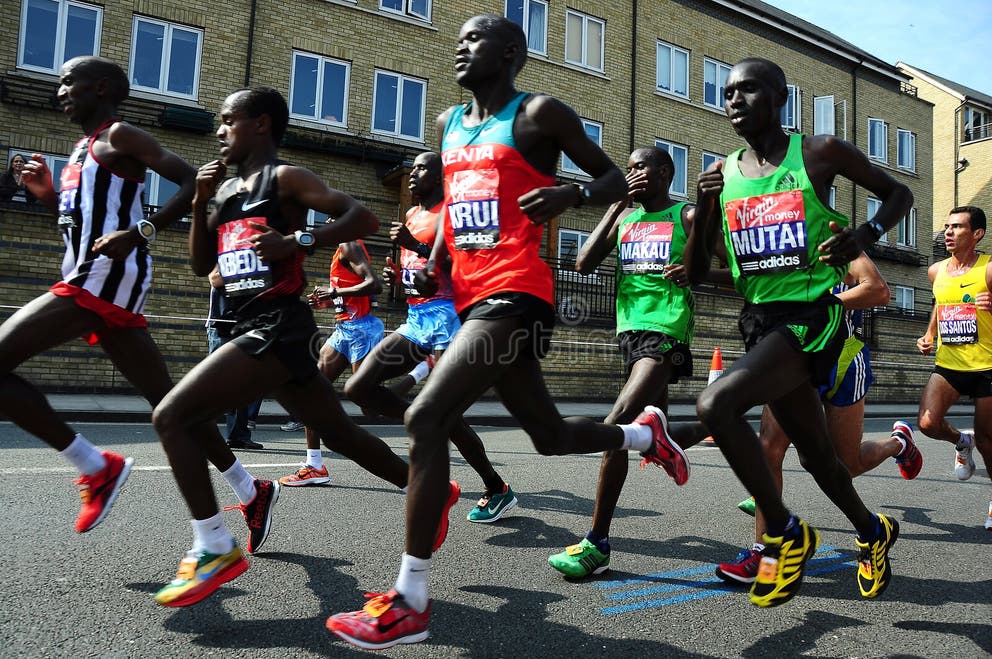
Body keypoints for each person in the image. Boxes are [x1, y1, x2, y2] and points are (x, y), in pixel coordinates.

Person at [326, 15, 690, 650]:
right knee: (548, 436)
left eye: (476, 40)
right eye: (459, 40)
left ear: (513, 53)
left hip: (518, 292)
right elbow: (461, 209)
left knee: (427, 416)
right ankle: (641, 433)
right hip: (469, 298)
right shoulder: (446, 125)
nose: (462, 48)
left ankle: (410, 600)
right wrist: (429, 256)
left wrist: (568, 195)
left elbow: (609, 179)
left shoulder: (538, 114)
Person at [151, 86, 457, 607]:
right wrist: (201, 201)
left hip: (278, 327)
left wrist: (298, 241)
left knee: (173, 415)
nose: (220, 131)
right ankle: (428, 487)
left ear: (262, 124)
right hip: (248, 324)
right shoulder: (224, 192)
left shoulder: (285, 179)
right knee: (338, 432)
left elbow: (363, 218)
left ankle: (213, 545)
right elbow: (204, 267)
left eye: (229, 120)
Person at [684, 57, 913, 607]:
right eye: (727, 92)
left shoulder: (818, 152)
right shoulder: (725, 172)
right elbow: (695, 275)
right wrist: (705, 205)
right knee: (819, 460)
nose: (733, 100)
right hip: (760, 323)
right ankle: (872, 531)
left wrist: (864, 233)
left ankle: (786, 533)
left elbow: (898, 195)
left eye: (748, 90)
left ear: (779, 97)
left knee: (715, 404)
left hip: (813, 317)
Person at [547, 146, 710, 578]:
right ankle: (721, 422)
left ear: (664, 173)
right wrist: (617, 202)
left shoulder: (686, 216)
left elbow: (726, 269)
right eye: (629, 168)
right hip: (629, 334)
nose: (633, 173)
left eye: (640, 167)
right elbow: (583, 263)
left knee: (616, 424)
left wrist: (692, 272)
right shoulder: (625, 218)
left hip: (667, 331)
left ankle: (596, 543)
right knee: (660, 435)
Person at [716, 254, 924, 584]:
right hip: (794, 355)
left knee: (846, 464)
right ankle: (764, 550)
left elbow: (878, 290)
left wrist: (822, 303)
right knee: (769, 448)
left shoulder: (837, 242)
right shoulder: (776, 242)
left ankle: (898, 443)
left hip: (843, 358)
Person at [344, 151, 518, 521]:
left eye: (423, 168)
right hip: (416, 317)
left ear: (441, 178)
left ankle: (497, 488)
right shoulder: (412, 215)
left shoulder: (453, 215)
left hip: (450, 320)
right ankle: (422, 418)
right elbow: (420, 272)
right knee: (358, 388)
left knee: (448, 416)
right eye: (414, 168)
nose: (413, 173)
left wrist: (415, 246)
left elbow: (468, 271)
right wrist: (400, 279)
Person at [277, 237, 384, 485]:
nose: (324, 224)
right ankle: (314, 466)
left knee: (368, 404)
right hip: (344, 330)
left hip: (363, 330)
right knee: (308, 392)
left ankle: (423, 391)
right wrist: (330, 301)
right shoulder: (341, 249)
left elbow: (373, 285)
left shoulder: (349, 245)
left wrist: (335, 291)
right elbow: (352, 293)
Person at [916, 205, 992, 530]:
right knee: (928, 424)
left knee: (990, 440)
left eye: (957, 227)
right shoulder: (937, 271)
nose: (948, 232)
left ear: (977, 234)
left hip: (988, 365)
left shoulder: (989, 269)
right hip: (949, 363)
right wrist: (930, 332)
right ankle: (962, 442)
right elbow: (939, 301)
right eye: (947, 226)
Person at [206, 268, 263, 449]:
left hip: (244, 327)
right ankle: (195, 429)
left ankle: (238, 435)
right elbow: (215, 279)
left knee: (243, 382)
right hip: (221, 327)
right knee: (214, 381)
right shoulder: (227, 255)